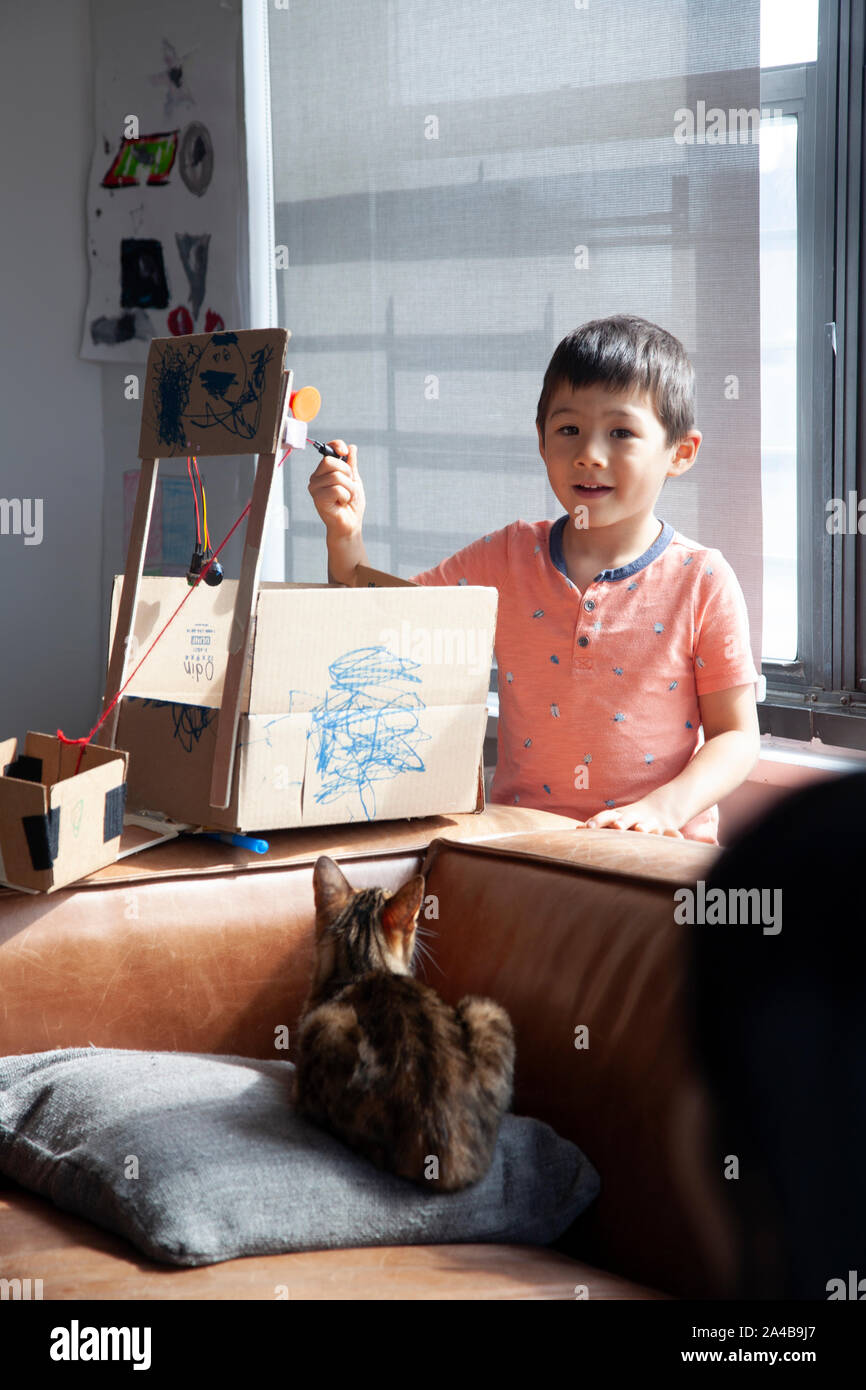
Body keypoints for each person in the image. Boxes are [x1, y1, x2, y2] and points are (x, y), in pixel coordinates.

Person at [308, 314, 760, 844]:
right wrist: (345, 535)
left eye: (621, 432)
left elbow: (736, 735)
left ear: (679, 453)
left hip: (655, 849)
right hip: (519, 843)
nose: (589, 454)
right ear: (542, 443)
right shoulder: (507, 555)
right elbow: (379, 622)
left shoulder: (703, 579)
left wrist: (663, 809)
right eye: (569, 430)